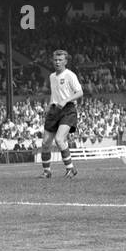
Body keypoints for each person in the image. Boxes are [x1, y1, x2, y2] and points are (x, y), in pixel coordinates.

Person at [40, 49, 82, 178]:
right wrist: (49, 105)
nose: (57, 62)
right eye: (55, 60)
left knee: (59, 139)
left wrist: (65, 101)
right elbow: (54, 93)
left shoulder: (70, 75)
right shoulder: (52, 76)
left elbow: (79, 92)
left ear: (65, 61)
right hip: (54, 109)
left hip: (68, 109)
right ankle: (47, 171)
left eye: (60, 60)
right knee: (45, 143)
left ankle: (70, 169)